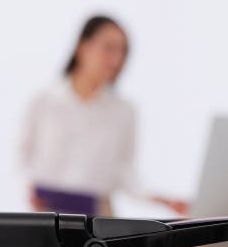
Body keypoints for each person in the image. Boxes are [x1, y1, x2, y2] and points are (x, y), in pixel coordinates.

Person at [20, 15, 189, 217]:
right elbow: (22, 157)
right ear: (82, 47)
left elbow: (125, 171)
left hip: (98, 217)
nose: (117, 59)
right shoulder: (43, 101)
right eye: (109, 48)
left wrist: (160, 199)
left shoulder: (124, 110)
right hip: (46, 214)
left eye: (122, 51)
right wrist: (29, 188)